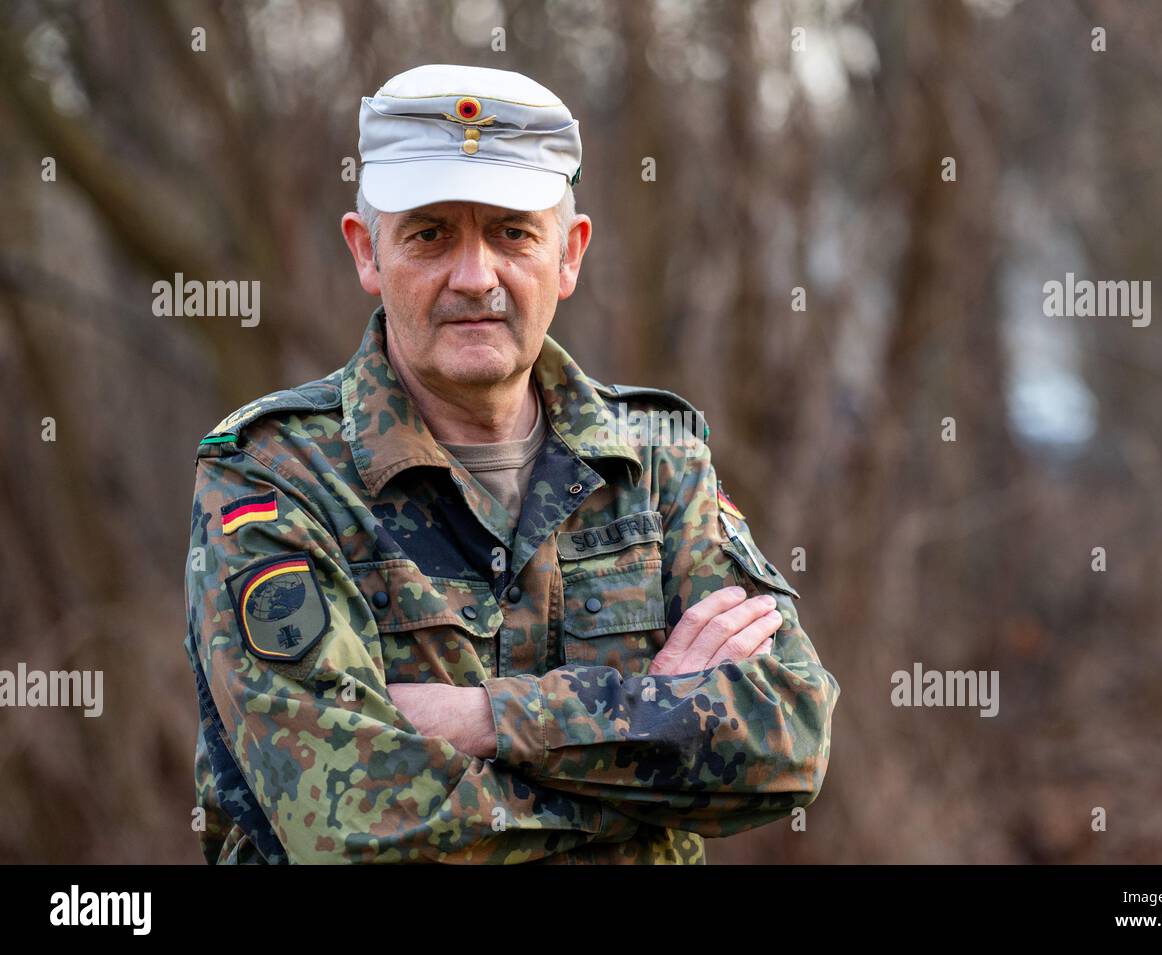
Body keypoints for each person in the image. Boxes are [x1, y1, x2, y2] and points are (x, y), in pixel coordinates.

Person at [183, 63, 840, 864]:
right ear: (367, 253)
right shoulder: (274, 476)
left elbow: (790, 735)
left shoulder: (658, 458)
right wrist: (652, 769)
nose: (474, 276)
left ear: (569, 254)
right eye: (429, 233)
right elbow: (352, 827)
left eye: (511, 232)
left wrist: (486, 719)